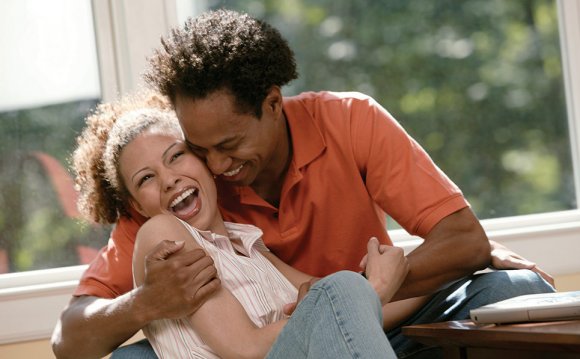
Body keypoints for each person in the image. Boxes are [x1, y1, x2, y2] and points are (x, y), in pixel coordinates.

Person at [52, 9, 555, 359]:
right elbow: (69, 338)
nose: (215, 163)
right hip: (282, 339)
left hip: (367, 319)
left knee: (516, 289)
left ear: (272, 103)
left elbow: (462, 240)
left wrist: (447, 263)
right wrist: (145, 303)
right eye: (199, 147)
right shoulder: (175, 196)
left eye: (228, 144)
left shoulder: (350, 120)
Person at [74, 98, 407, 358]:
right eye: (146, 178)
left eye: (176, 156)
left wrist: (420, 278)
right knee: (344, 290)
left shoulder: (248, 245)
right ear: (136, 205)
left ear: (204, 160)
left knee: (340, 290)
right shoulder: (162, 235)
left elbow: (335, 300)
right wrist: (370, 291)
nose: (168, 178)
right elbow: (244, 349)